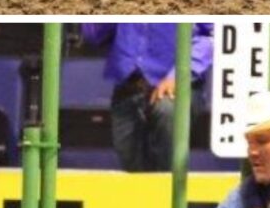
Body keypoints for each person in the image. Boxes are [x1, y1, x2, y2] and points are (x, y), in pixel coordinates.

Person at [78, 23, 213, 170]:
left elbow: (211, 35)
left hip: (176, 86)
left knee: (166, 111)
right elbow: (93, 36)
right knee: (133, 173)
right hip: (128, 87)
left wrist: (179, 74)